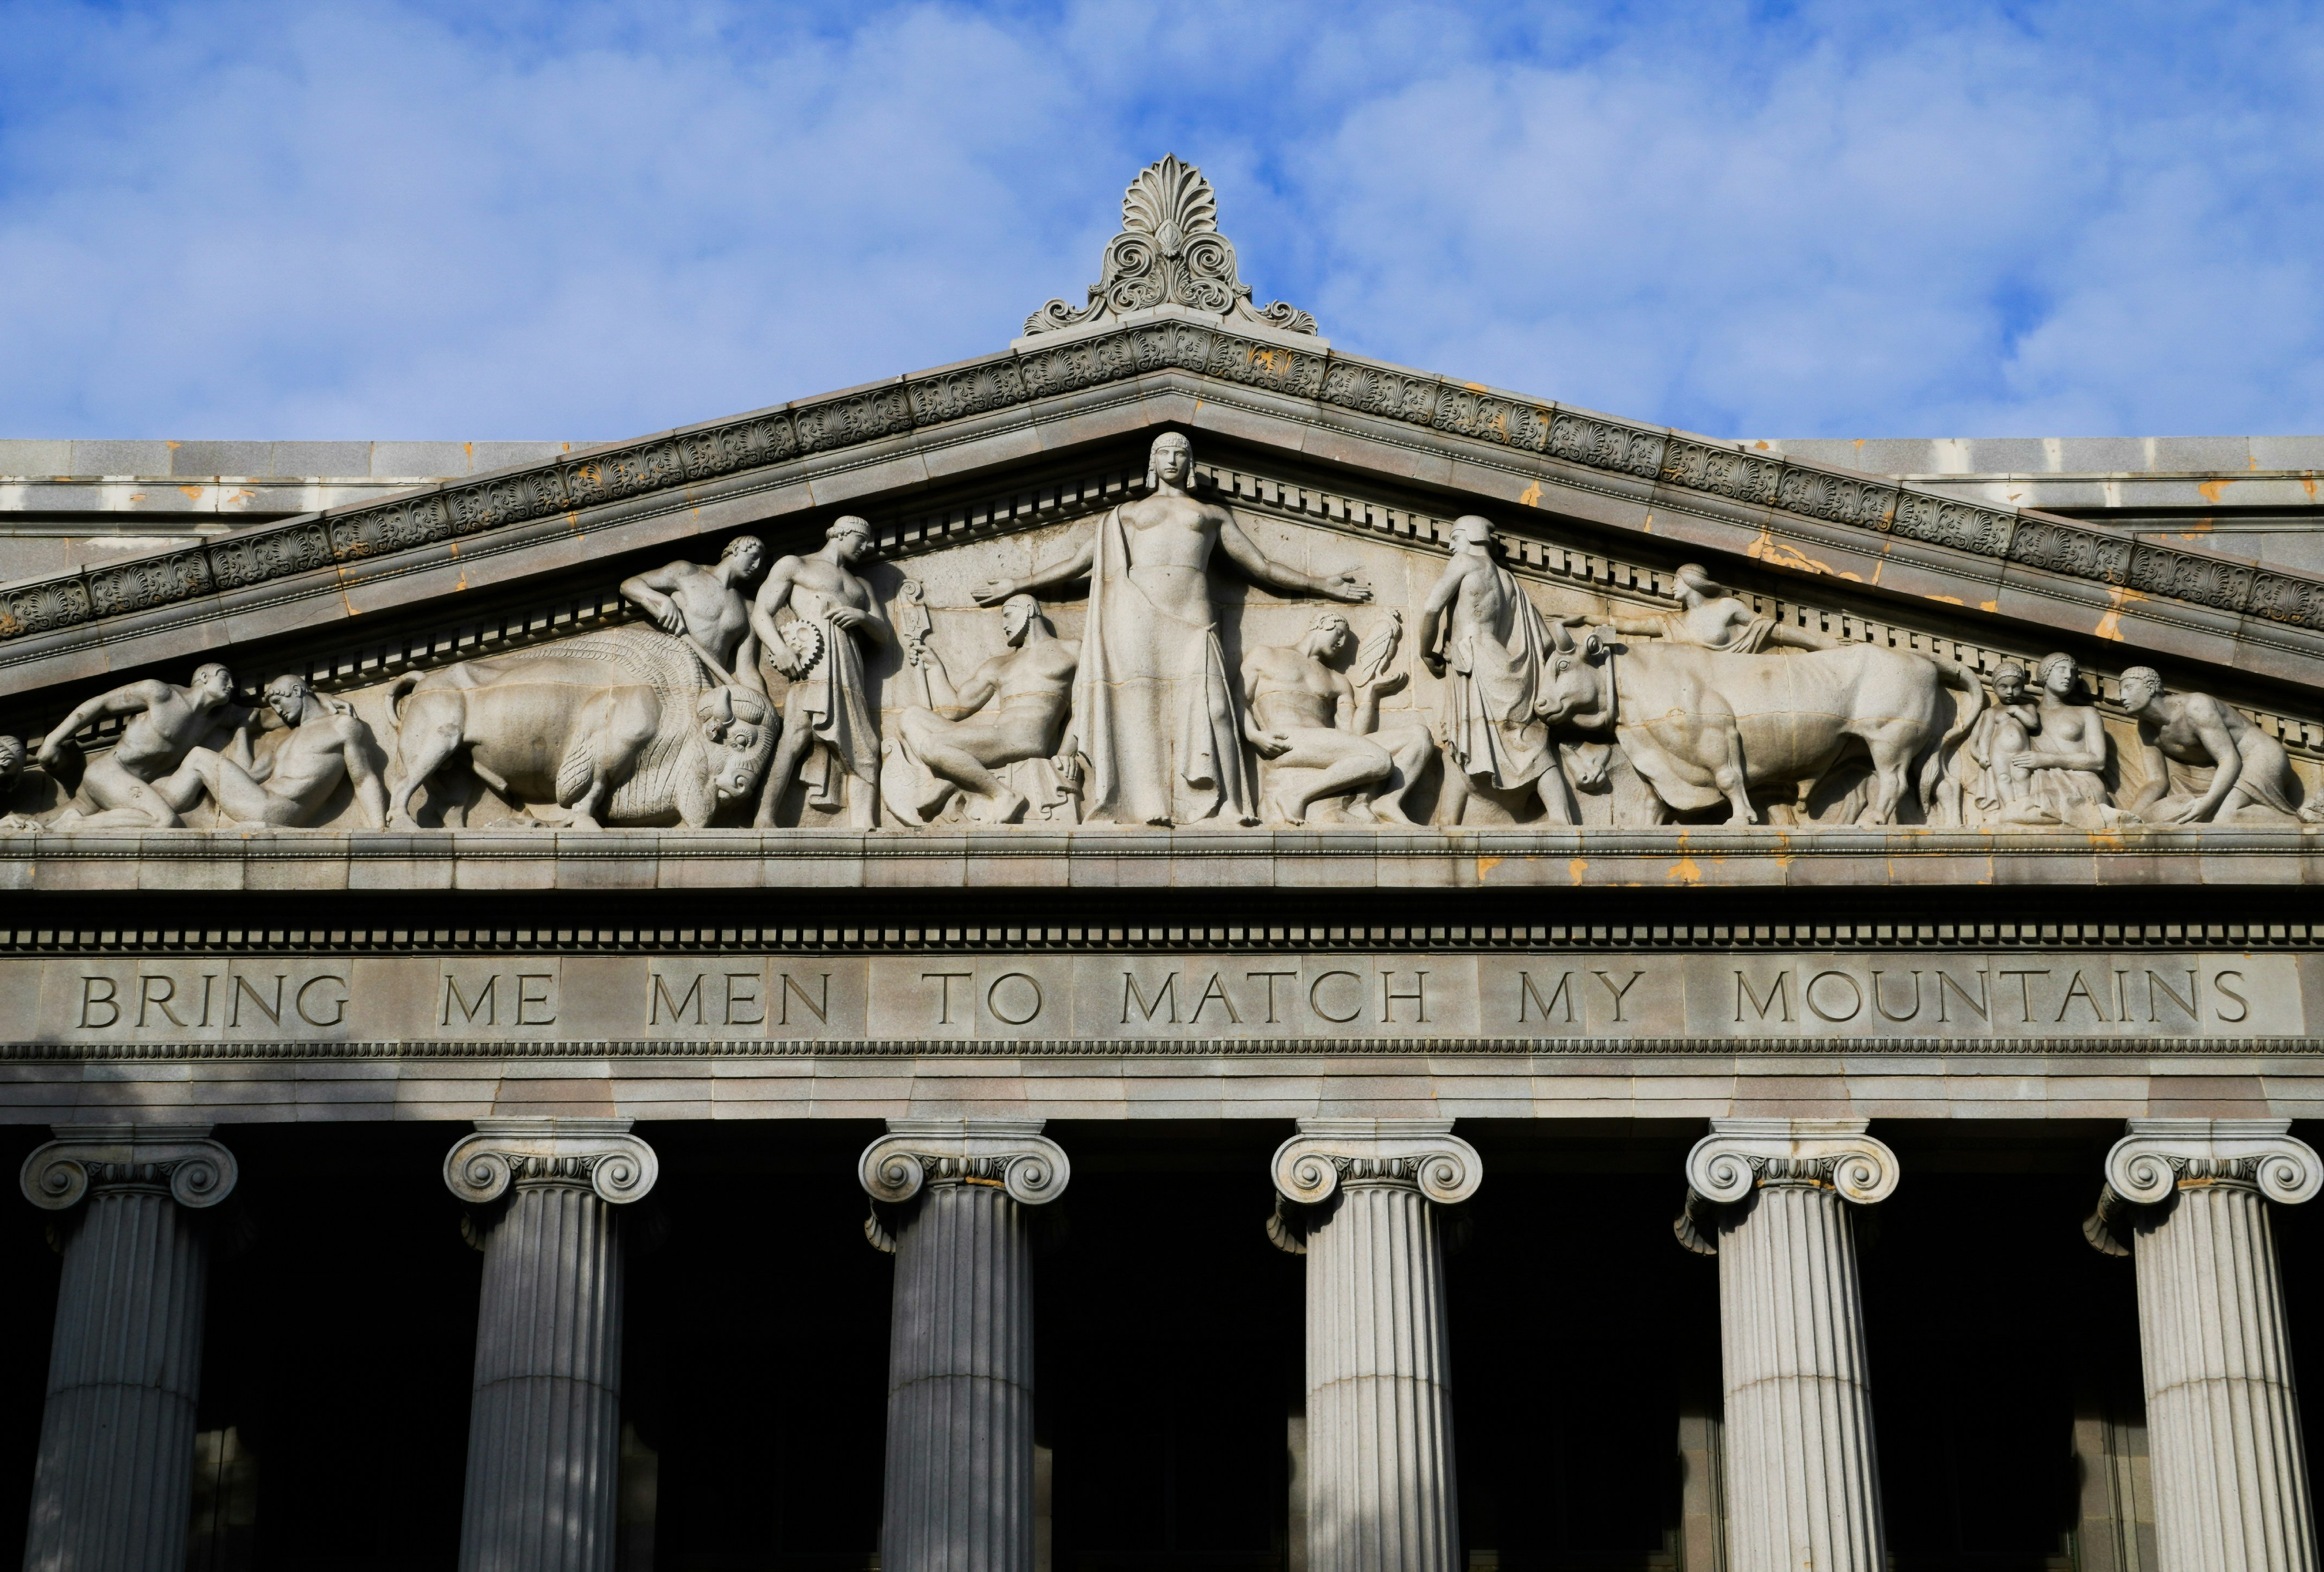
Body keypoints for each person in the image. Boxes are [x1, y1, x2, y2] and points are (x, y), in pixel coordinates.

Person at [975, 430, 1370, 825]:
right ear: (1152, 461)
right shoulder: (1125, 515)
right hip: (1135, 616)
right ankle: (1147, 805)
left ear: (1190, 462)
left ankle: (1223, 805)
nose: (1171, 459)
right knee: (1139, 707)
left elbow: (1261, 566)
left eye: (1180, 453)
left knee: (1214, 707)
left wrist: (1322, 584)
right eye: (1163, 452)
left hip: (1195, 620)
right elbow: (1079, 563)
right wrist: (1018, 585)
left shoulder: (1212, 515)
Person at [1416, 515, 1570, 824]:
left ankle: (1449, 820)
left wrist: (1425, 652)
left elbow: (1432, 608)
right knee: (1528, 741)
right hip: (1509, 664)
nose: (1450, 544)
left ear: (1470, 537)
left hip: (1474, 659)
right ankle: (1560, 816)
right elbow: (1542, 639)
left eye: (1455, 536)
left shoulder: (1464, 562)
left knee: (1465, 739)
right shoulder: (1510, 580)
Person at [882, 594, 1082, 825]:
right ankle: (952, 775)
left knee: (933, 746)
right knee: (911, 717)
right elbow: (954, 709)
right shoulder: (999, 664)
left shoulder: (1071, 650)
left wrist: (1067, 751)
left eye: (1007, 616)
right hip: (997, 735)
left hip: (1026, 738)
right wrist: (934, 668)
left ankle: (1002, 794)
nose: (1004, 626)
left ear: (1028, 610)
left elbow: (1085, 705)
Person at [752, 517, 888, 828]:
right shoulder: (796, 565)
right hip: (811, 663)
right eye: (862, 539)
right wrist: (780, 649)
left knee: (866, 748)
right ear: (841, 533)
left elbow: (882, 635)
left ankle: (864, 825)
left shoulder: (861, 586)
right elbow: (762, 612)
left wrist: (862, 617)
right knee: (795, 737)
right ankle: (764, 817)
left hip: (850, 671)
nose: (867, 547)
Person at [37, 664, 255, 829]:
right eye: (225, 678)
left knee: (37, 824)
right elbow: (103, 703)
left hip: (132, 788)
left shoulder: (214, 719)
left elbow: (262, 717)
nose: (232, 686)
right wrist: (52, 740)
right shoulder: (161, 693)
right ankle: (74, 825)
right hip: (108, 773)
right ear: (204, 677)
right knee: (164, 821)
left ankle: (72, 820)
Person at [1241, 612, 1402, 826]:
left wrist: (1371, 693)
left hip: (1322, 745)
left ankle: (1384, 803)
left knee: (1419, 737)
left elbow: (1356, 736)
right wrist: (1254, 735)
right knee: (1380, 760)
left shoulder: (1338, 680)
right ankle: (1296, 795)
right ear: (1325, 624)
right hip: (1287, 740)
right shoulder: (1265, 655)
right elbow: (1238, 700)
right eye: (1340, 634)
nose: (1342, 643)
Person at [168, 674, 390, 829]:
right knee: (202, 759)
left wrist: (379, 827)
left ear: (295, 691)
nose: (278, 711)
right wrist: (243, 732)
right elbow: (251, 775)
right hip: (260, 801)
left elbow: (363, 778)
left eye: (278, 701)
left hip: (279, 809)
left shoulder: (341, 726)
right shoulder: (287, 738)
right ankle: (159, 808)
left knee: (199, 757)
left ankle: (159, 810)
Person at [2118, 665, 2323, 825]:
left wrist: (2208, 802)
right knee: (2215, 819)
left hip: (2260, 756)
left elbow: (2229, 758)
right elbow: (2156, 782)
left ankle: (2302, 822)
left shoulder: (2195, 707)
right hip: (2225, 773)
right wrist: (2129, 818)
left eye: (2129, 688)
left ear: (2152, 687)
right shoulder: (2146, 729)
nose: (2122, 697)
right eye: (2120, 690)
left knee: (2225, 818)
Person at [619, 536, 768, 690]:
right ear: (737, 550)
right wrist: (663, 601)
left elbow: (747, 670)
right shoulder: (686, 572)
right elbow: (629, 586)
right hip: (673, 672)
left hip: (711, 685)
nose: (756, 565)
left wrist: (764, 704)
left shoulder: (749, 608)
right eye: (754, 557)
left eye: (760, 562)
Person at [2001, 653, 2123, 828]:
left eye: (2073, 673)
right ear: (2045, 674)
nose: (2069, 676)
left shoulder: (2087, 713)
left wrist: (2047, 759)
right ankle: (2099, 817)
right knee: (2009, 814)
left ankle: (2099, 814)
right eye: (2062, 670)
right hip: (2042, 785)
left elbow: (2098, 761)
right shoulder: (2025, 716)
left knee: (2012, 816)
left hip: (2083, 785)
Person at [1611, 562, 1834, 654]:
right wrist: (1583, 617)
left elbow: (1771, 630)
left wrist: (1818, 642)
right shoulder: (1672, 621)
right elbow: (1629, 625)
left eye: (1676, 580)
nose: (1671, 585)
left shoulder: (1727, 607)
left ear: (1690, 581)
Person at [1963, 661, 2040, 817]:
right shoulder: (1992, 712)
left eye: (2016, 687)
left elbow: (2033, 724)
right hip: (1999, 754)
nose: (2010, 692)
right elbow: (1985, 735)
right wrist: (1984, 754)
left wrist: (2018, 712)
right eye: (2004, 687)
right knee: (2003, 777)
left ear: (2023, 688)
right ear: (1995, 689)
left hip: (2021, 752)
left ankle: (2024, 802)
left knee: (2022, 775)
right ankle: (2009, 804)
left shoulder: (2028, 708)